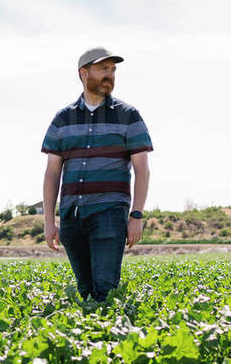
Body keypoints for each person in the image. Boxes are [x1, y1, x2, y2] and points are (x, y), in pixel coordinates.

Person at [40, 47, 153, 303]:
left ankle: (110, 337)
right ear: (83, 73)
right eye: (103, 69)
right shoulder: (63, 119)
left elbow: (142, 169)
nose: (109, 75)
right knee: (85, 290)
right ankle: (90, 339)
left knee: (105, 288)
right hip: (72, 216)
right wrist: (49, 220)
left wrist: (136, 214)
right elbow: (51, 174)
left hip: (110, 213)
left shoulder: (128, 116)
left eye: (113, 70)